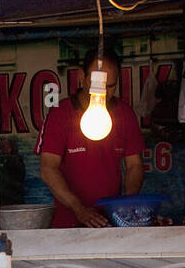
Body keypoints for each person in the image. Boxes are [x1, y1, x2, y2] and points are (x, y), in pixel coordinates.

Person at [36, 48, 145, 228]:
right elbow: (48, 168)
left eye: (110, 86)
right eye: (98, 85)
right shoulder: (60, 114)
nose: (103, 93)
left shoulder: (124, 114)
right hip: (68, 225)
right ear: (82, 76)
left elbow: (134, 165)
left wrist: (126, 206)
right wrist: (79, 209)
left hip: (111, 222)